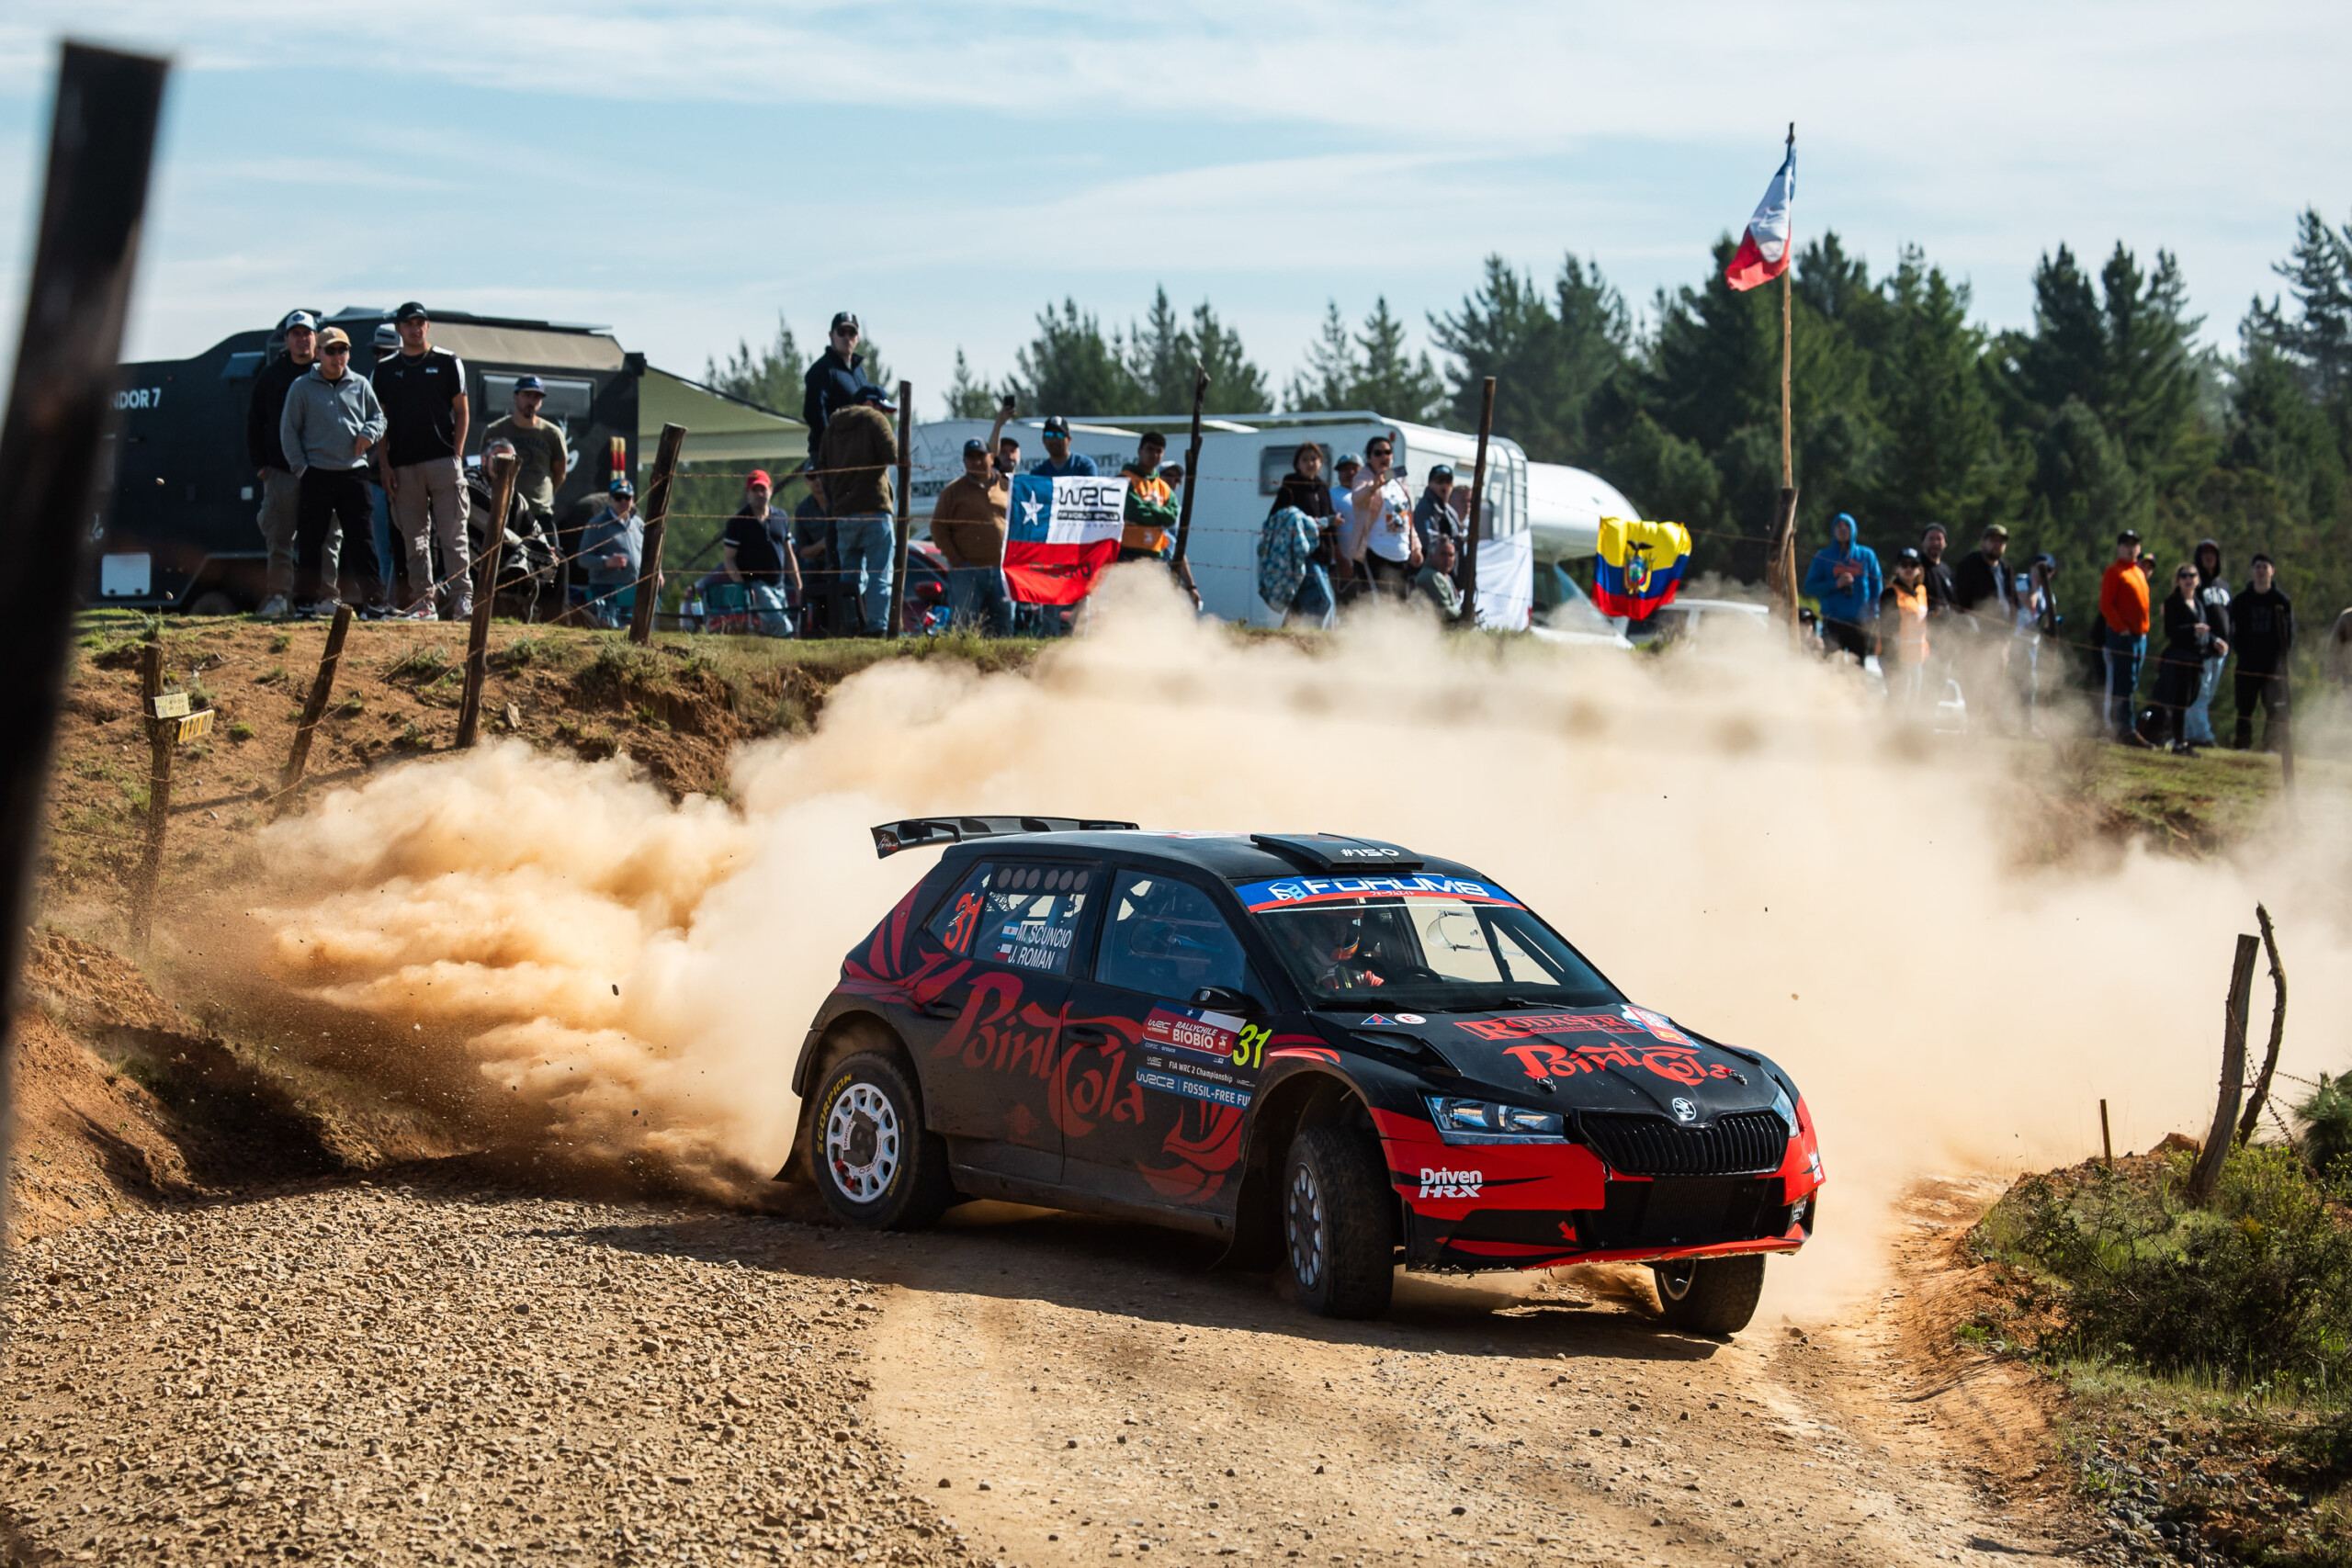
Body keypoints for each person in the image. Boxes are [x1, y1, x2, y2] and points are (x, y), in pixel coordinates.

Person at [371, 301, 470, 622]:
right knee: (414, 539)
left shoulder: (447, 361)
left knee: (453, 535)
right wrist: (384, 465)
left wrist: (456, 454)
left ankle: (462, 601)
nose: (416, 328)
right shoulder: (384, 369)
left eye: (421, 322)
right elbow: (379, 422)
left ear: (427, 326)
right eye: (409, 323)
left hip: (443, 463)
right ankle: (423, 602)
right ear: (399, 329)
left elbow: (462, 410)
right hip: (403, 467)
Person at [278, 326, 388, 615]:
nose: (338, 356)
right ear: (318, 354)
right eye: (331, 350)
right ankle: (305, 603)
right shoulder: (301, 387)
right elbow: (288, 431)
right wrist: (302, 468)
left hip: (354, 473)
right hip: (317, 473)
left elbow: (379, 418)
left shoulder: (361, 384)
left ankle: (374, 603)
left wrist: (368, 433)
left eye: (343, 350)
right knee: (312, 541)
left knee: (362, 540)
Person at [245, 310, 334, 618]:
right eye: (295, 333)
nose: (302, 338)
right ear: (287, 339)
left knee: (325, 538)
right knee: (279, 538)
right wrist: (261, 464)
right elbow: (254, 422)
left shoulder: (328, 371)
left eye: (307, 333)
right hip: (281, 473)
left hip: (323, 472)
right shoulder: (271, 376)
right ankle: (280, 597)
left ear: (316, 337)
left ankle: (324, 599)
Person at [819, 401, 899, 635]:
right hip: (875, 507)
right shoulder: (875, 420)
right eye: (882, 407)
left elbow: (822, 466)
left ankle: (850, 624)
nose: (884, 414)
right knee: (880, 574)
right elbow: (893, 456)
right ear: (871, 403)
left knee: (849, 575)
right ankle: (877, 626)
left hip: (844, 512)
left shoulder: (832, 428)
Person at [465, 436, 555, 618]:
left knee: (558, 560)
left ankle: (554, 621)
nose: (504, 466)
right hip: (475, 548)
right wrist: (523, 545)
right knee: (514, 555)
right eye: (498, 460)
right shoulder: (470, 483)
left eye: (512, 461)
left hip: (508, 546)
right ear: (484, 460)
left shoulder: (512, 493)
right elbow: (488, 524)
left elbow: (530, 525)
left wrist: (543, 546)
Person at [931, 437, 1013, 635]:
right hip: (967, 570)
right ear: (964, 461)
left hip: (1002, 569)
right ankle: (960, 664)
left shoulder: (1006, 486)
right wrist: (954, 558)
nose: (975, 461)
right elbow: (938, 528)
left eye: (980, 456)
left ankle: (1000, 665)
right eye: (970, 457)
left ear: (991, 458)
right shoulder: (953, 491)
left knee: (1002, 624)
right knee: (964, 625)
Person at [483, 375, 569, 550]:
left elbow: (560, 472)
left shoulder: (552, 433)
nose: (532, 401)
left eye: (537, 397)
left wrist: (544, 496)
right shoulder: (496, 430)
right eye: (527, 395)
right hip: (504, 510)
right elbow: (485, 467)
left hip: (540, 512)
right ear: (515, 397)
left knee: (552, 561)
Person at [1950, 524, 2019, 729]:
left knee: (1996, 679)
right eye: (1993, 539)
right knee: (1974, 677)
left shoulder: (2006, 568)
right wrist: (1969, 629)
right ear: (1983, 542)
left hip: (2001, 636)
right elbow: (1960, 602)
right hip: (1976, 635)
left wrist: (2010, 633)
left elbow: (2012, 601)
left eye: (2001, 541)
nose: (1997, 544)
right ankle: (1973, 720)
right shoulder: (1969, 564)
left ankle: (1989, 722)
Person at [721, 469, 797, 637]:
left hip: (779, 584)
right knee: (782, 625)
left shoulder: (781, 517)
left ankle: (775, 660)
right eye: (754, 490)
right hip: (755, 584)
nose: (759, 494)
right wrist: (744, 587)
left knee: (770, 630)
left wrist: (798, 584)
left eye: (762, 489)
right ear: (748, 494)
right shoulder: (738, 522)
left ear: (770, 490)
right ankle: (792, 648)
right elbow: (729, 559)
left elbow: (789, 554)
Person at [2231, 554, 2294, 751]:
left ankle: (2271, 746)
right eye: (2257, 567)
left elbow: (2289, 631)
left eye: (2265, 567)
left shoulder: (2281, 600)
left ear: (2272, 571)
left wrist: (2281, 657)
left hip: (2272, 663)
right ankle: (2242, 743)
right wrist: (2239, 650)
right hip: (2247, 661)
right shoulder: (2241, 601)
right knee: (2244, 706)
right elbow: (2233, 630)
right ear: (2252, 571)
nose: (2261, 571)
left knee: (2274, 706)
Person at [1801, 513, 1882, 663]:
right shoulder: (1823, 556)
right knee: (1830, 665)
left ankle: (1855, 688)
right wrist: (1835, 585)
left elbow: (1877, 589)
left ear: (1854, 530)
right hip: (1833, 622)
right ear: (1833, 530)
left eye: (1847, 526)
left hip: (1860, 623)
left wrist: (1873, 616)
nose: (1843, 529)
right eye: (1839, 525)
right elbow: (1810, 587)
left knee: (1857, 667)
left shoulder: (1866, 556)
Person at [1347, 434, 1419, 600]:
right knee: (1378, 603)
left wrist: (1416, 546)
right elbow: (1357, 498)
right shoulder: (1364, 477)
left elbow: (1408, 518)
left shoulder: (1398, 480)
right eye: (1378, 453)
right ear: (1369, 457)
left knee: (1401, 604)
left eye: (1387, 452)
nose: (1383, 457)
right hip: (1374, 552)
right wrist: (1373, 487)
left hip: (1400, 553)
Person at [801, 311, 890, 443]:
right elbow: (814, 413)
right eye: (841, 332)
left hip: (856, 451)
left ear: (858, 337)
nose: (847, 338)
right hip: (830, 454)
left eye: (852, 333)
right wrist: (831, 447)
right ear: (831, 335)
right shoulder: (821, 370)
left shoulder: (859, 372)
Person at [2098, 529, 2154, 744]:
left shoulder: (2138, 572)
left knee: (2131, 683)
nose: (2130, 548)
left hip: (2140, 637)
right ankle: (2122, 728)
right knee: (2122, 683)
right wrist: (2120, 627)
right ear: (2118, 547)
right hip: (2123, 636)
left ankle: (2127, 727)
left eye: (2134, 544)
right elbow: (2106, 605)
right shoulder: (2114, 572)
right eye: (2126, 544)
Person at [2153, 563, 2212, 754]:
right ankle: (2178, 742)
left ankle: (2180, 740)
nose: (2188, 579)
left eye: (2192, 575)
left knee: (2189, 700)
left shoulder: (2199, 604)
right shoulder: (2172, 603)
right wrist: (2192, 629)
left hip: (2196, 659)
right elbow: (2170, 631)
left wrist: (2216, 642)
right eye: (2184, 576)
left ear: (2198, 580)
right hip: (2179, 658)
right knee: (2180, 701)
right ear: (2178, 581)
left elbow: (2205, 632)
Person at [578, 478, 645, 629]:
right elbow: (582, 559)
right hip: (606, 591)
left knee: (636, 633)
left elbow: (650, 553)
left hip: (634, 590)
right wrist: (606, 562)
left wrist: (658, 572)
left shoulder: (639, 524)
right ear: (610, 500)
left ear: (633, 499)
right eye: (618, 497)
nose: (623, 501)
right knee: (610, 632)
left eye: (627, 498)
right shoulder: (597, 524)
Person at [2184, 539, 2233, 746]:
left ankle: (2189, 733)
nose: (2209, 556)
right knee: (2200, 691)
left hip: (2221, 651)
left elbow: (2229, 616)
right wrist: (2211, 640)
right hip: (2203, 647)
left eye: (2213, 552)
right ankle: (2203, 735)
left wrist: (2228, 641)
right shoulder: (2196, 584)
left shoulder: (2223, 586)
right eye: (2204, 553)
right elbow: (2196, 617)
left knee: (2209, 693)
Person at [1878, 547, 1932, 708]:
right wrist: (1892, 657)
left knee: (1913, 700)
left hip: (1917, 656)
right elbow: (1887, 627)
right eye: (1904, 564)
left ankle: (1906, 733)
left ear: (1919, 569)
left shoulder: (1921, 591)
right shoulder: (1890, 593)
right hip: (1896, 656)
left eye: (1913, 565)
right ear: (1897, 568)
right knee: (1898, 698)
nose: (1908, 568)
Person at [790, 461, 837, 637]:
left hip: (842, 564)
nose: (817, 480)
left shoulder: (839, 502)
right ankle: (818, 634)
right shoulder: (803, 509)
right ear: (806, 481)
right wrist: (822, 545)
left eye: (820, 475)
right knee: (816, 597)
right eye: (812, 476)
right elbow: (802, 551)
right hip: (819, 566)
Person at [1118, 432, 1178, 562]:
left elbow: (1171, 518)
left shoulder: (1164, 487)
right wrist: (1159, 517)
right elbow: (1134, 511)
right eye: (1150, 449)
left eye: (1159, 451)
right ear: (1139, 451)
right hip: (1127, 552)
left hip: (1155, 553)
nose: (1154, 455)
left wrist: (1151, 508)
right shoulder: (1125, 479)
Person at [1413, 465, 1462, 558]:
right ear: (1430, 483)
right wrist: (1452, 542)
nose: (1444, 485)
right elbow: (1427, 540)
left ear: (1452, 485)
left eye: (1448, 481)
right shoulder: (1424, 508)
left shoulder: (1450, 512)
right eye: (1439, 480)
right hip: (1430, 564)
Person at [1413, 534, 1463, 618]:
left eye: (1451, 555)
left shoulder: (1444, 576)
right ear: (1431, 556)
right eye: (1443, 554)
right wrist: (1464, 614)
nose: (1447, 559)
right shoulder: (1433, 577)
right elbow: (1444, 611)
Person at [1030, 415, 1097, 478]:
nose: (1054, 440)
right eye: (1049, 435)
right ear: (1043, 440)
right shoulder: (1038, 472)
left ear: (1069, 439)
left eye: (1060, 435)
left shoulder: (1084, 466)